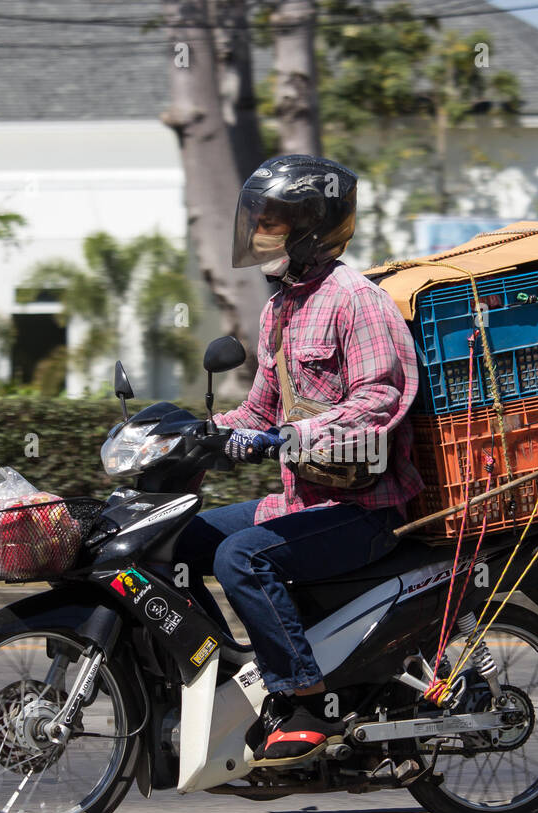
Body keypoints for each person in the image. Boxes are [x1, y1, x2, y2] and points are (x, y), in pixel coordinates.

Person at [174, 154, 423, 763]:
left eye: (274, 221)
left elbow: (378, 404)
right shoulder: (281, 309)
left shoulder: (356, 301)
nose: (259, 233)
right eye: (257, 218)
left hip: (365, 508)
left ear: (313, 227)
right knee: (177, 542)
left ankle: (302, 696)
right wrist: (194, 432)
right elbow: (258, 412)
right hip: (300, 499)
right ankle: (222, 674)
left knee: (241, 557)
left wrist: (292, 436)